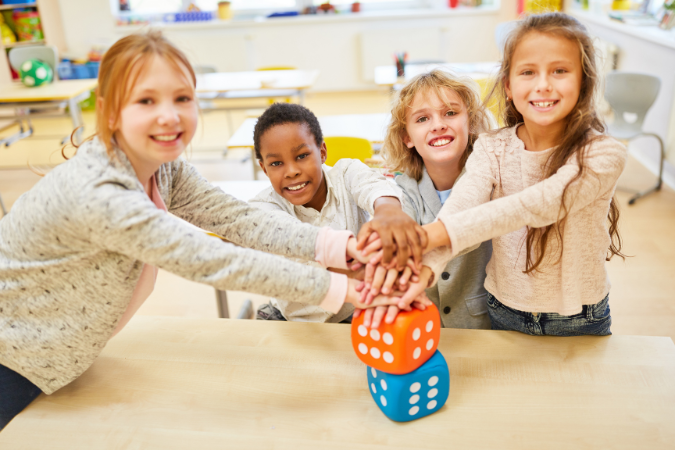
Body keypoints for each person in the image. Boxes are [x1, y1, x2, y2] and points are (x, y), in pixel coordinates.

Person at [0, 31, 429, 429]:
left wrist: (344, 249)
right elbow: (213, 260)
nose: (168, 116)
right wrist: (351, 291)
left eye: (182, 98)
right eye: (145, 101)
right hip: (13, 356)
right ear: (111, 109)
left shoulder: (162, 168)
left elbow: (236, 219)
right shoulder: (101, 191)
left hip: (56, 354)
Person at [360, 12, 627, 336]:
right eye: (528, 72)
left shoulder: (604, 153)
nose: (543, 84)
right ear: (509, 86)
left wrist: (428, 235)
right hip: (503, 309)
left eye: (559, 70)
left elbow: (537, 204)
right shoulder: (491, 147)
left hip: (579, 317)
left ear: (583, 81)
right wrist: (425, 272)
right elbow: (461, 207)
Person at [249, 103, 427, 323]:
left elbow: (373, 185)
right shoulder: (262, 209)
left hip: (354, 311)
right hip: (293, 320)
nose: (292, 171)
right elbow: (296, 249)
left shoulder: (346, 172)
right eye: (276, 163)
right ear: (264, 169)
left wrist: (387, 211)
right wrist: (362, 268)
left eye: (302, 156)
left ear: (322, 152)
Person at [378, 69, 495, 329]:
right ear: (407, 137)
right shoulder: (403, 188)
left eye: (450, 113)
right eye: (422, 119)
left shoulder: (489, 178)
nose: (438, 124)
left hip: (484, 327)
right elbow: (402, 241)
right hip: (425, 327)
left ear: (471, 122)